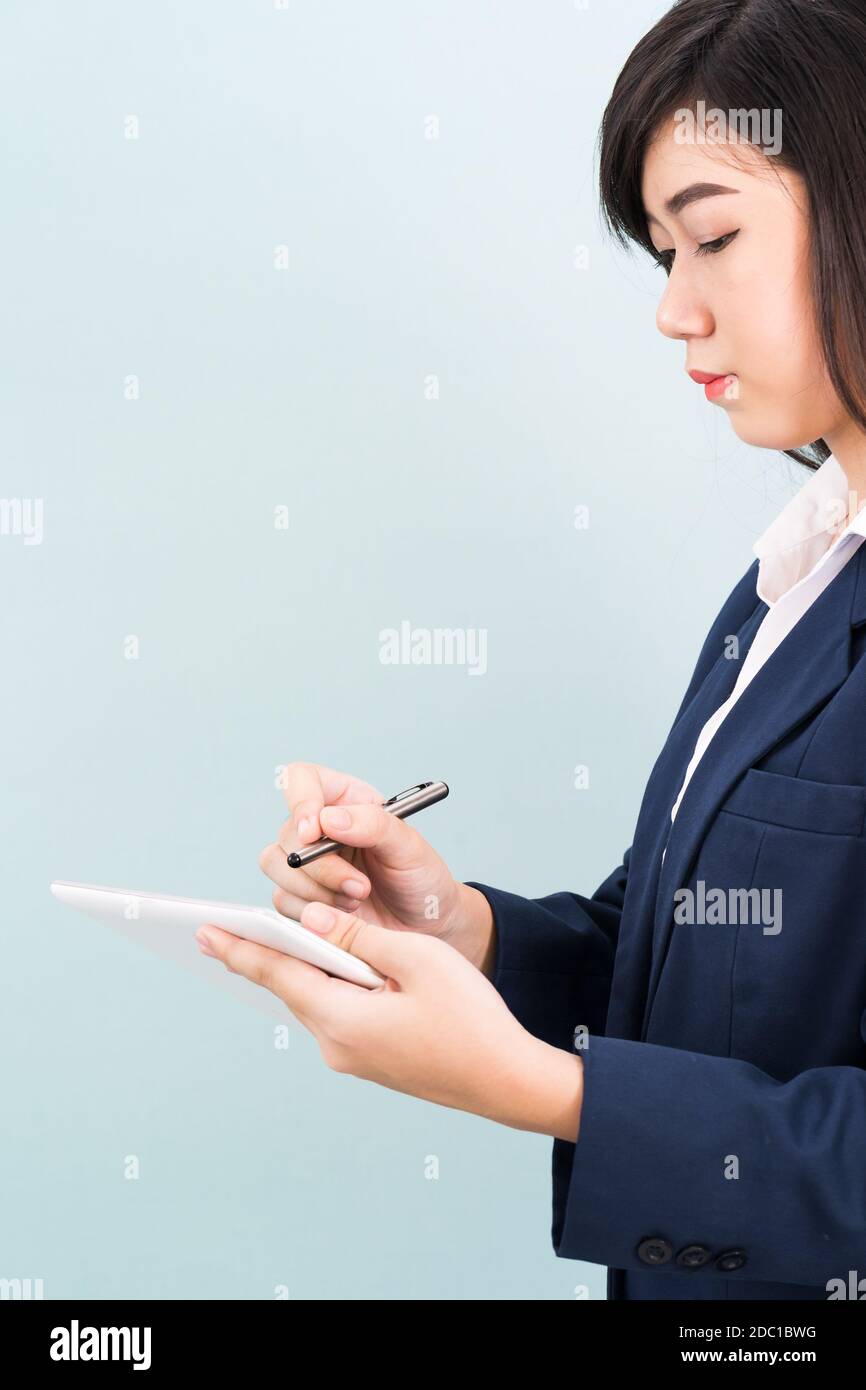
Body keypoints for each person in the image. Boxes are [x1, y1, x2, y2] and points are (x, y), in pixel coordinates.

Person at [194, 0, 866, 1300]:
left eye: (713, 237)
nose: (674, 309)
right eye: (662, 252)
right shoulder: (793, 575)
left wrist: (544, 1089)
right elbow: (686, 952)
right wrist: (455, 925)